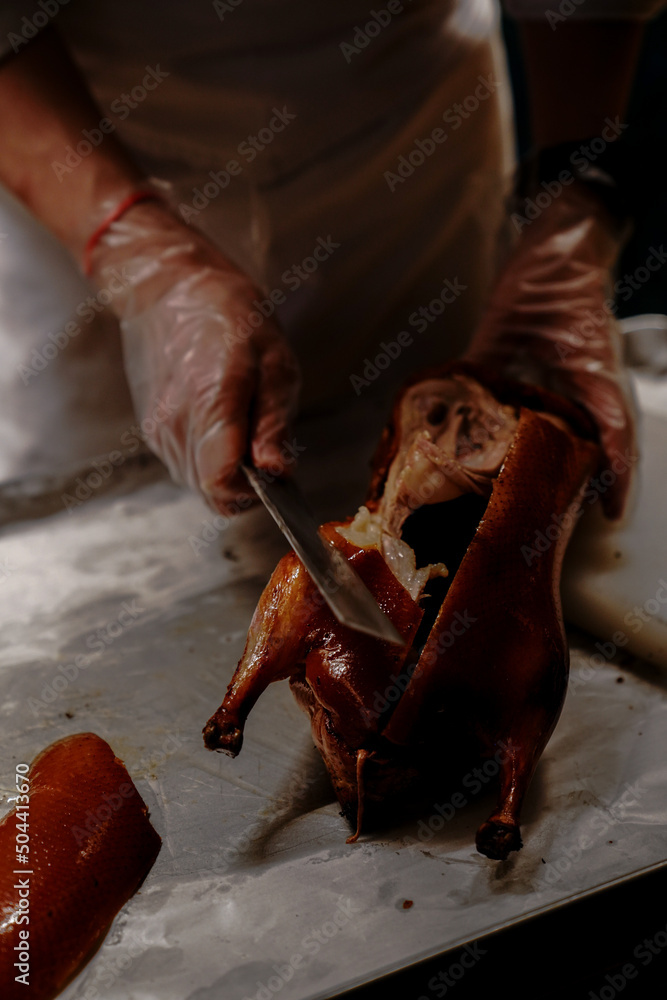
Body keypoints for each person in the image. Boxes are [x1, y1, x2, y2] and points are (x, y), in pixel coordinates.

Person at [0, 0, 662, 518]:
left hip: (408, 152)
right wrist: (134, 249)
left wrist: (572, 203)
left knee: (458, 483)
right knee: (101, 539)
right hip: (85, 167)